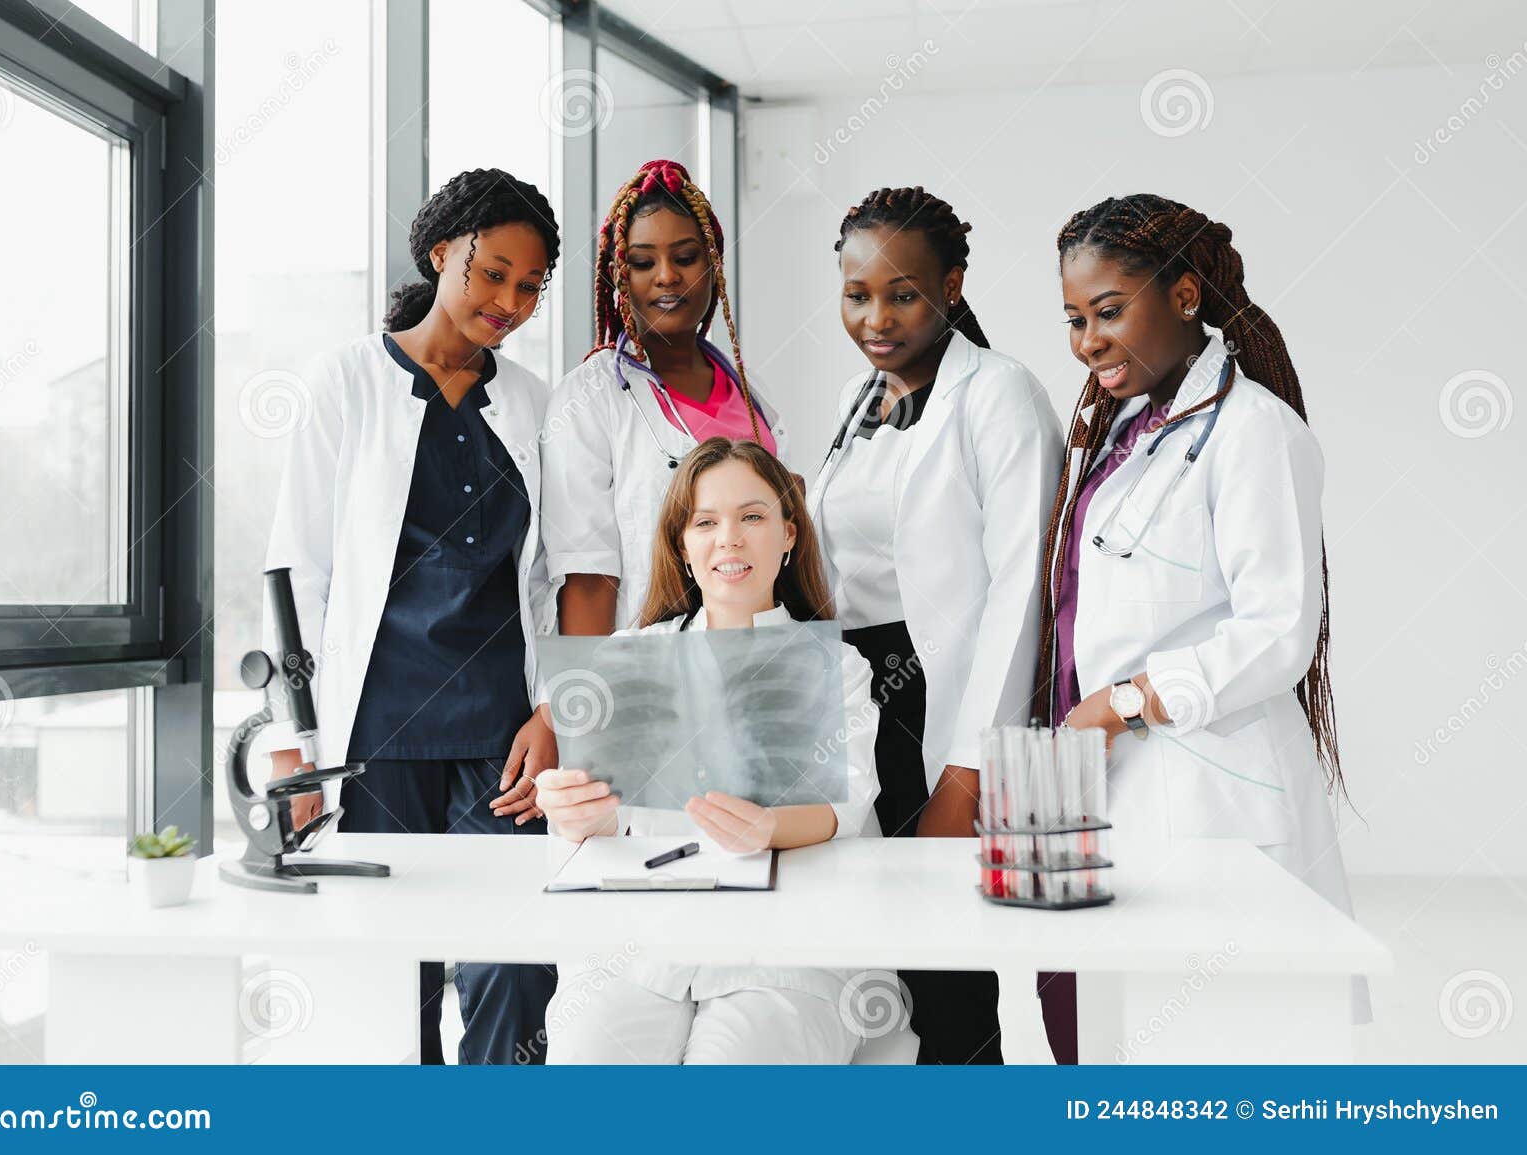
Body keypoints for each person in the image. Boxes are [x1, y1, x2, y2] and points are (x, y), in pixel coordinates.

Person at [1036, 193, 1371, 1060]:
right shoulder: (1128, 432)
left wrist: (1122, 703)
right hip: (1115, 790)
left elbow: (1279, 629)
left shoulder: (1252, 430)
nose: (1088, 341)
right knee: (1112, 1055)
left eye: (1109, 311)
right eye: (1075, 319)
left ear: (1184, 295)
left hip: (1210, 787)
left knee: (1218, 1061)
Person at [263, 168, 562, 1065]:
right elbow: (297, 568)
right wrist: (293, 748)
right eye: (492, 272)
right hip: (374, 732)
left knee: (512, 968)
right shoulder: (347, 381)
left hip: (500, 739)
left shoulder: (534, 404)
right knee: (392, 977)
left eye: (529, 286)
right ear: (442, 252)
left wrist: (559, 709)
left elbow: (550, 577)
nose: (508, 301)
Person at [806, 186, 1063, 1064]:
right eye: (856, 293)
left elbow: (1019, 589)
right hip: (856, 689)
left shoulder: (1000, 396)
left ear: (951, 286)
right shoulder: (857, 396)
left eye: (903, 293)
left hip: (938, 695)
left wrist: (967, 768)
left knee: (947, 965)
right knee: (875, 960)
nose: (876, 316)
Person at [535, 438, 885, 1063]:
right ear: (683, 547)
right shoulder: (624, 658)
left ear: (788, 535)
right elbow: (607, 814)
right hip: (641, 940)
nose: (729, 538)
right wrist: (575, 814)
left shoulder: (835, 665)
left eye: (752, 516)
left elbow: (848, 803)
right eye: (705, 522)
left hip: (786, 944)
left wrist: (771, 826)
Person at [541, 159, 787, 636]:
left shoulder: (751, 392)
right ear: (619, 276)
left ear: (713, 264)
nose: (667, 276)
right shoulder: (592, 398)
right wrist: (590, 700)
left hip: (765, 661)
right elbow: (588, 576)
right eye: (642, 262)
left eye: (686, 257)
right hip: (652, 670)